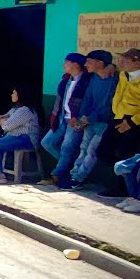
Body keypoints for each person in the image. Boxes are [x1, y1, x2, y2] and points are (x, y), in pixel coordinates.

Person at [97, 48, 140, 198]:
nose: (121, 63)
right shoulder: (124, 75)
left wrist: (131, 122)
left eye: (126, 60)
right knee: (102, 151)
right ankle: (121, 180)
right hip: (117, 118)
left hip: (134, 123)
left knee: (125, 154)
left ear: (136, 63)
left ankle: (122, 188)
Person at [39, 53, 90, 188]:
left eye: (67, 62)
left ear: (76, 64)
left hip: (75, 119)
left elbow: (86, 103)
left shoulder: (86, 81)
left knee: (67, 147)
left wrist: (79, 118)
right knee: (47, 142)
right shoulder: (66, 80)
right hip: (62, 118)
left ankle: (57, 175)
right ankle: (70, 165)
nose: (64, 65)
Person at [70, 49, 118, 189]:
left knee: (92, 151)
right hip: (90, 121)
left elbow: (109, 105)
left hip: (104, 123)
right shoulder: (93, 78)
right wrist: (82, 118)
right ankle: (74, 176)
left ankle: (78, 178)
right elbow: (87, 99)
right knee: (83, 148)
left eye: (89, 62)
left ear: (100, 63)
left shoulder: (114, 80)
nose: (85, 64)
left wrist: (89, 118)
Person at [0, 85, 43, 184]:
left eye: (14, 93)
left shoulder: (25, 110)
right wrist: (3, 121)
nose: (11, 95)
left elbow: (7, 126)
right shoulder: (15, 109)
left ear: (20, 95)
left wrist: (4, 121)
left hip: (26, 139)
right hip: (13, 137)